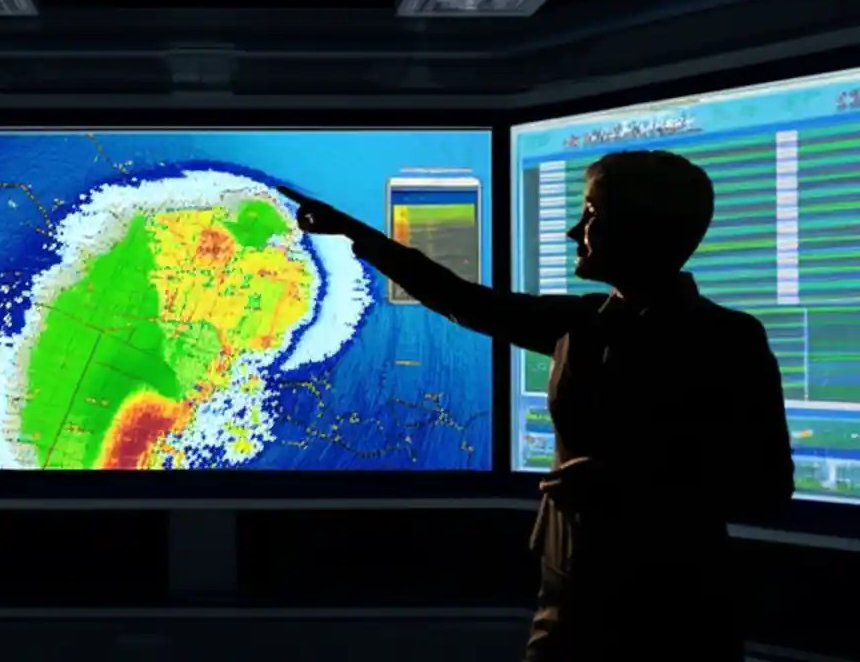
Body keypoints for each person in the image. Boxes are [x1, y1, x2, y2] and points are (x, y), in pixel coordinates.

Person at [280, 150, 794, 662]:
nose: (575, 231)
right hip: (568, 597)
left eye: (592, 216)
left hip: (671, 614)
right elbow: (462, 299)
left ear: (643, 228)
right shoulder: (585, 324)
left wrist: (629, 484)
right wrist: (354, 234)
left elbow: (766, 485)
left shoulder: (727, 340)